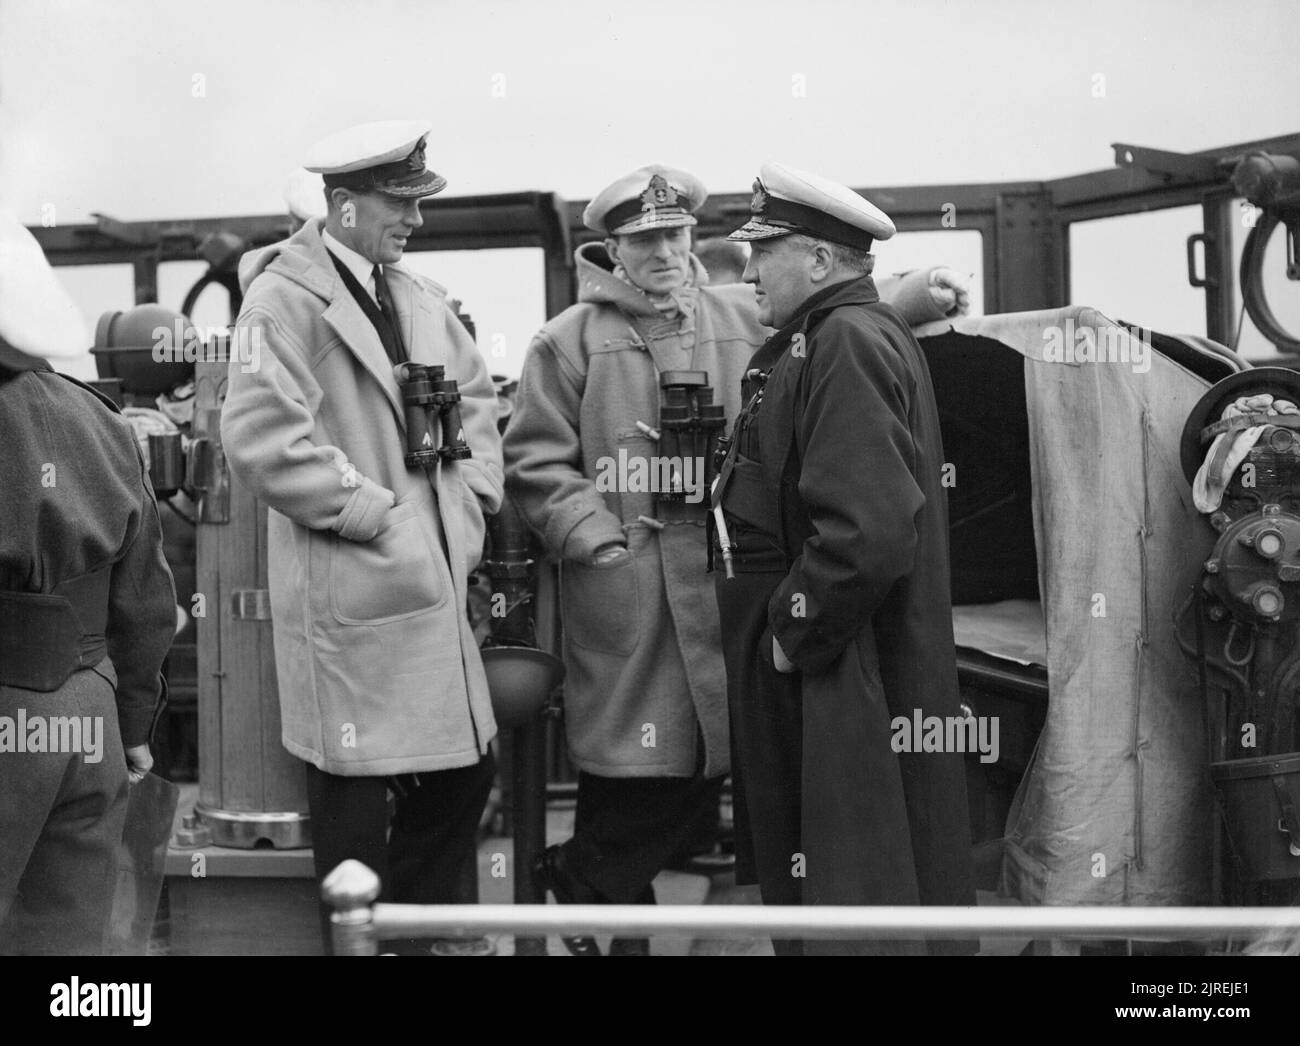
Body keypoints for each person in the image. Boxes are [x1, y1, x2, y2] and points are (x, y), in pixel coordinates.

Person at [503, 164, 969, 955]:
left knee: (721, 775)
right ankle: (596, 902)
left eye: (675, 234)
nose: (663, 251)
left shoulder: (744, 314)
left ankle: (601, 902)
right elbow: (537, 466)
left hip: (733, 604)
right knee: (633, 784)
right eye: (643, 239)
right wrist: (597, 540)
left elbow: (841, 319)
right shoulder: (567, 341)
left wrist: (923, 291)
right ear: (610, 250)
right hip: (639, 605)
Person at [220, 121, 504, 955]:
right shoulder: (279, 301)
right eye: (398, 203)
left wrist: (470, 499)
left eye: (418, 203)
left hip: (429, 583)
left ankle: (405, 941)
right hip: (353, 584)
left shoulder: (414, 296)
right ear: (342, 207)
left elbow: (479, 407)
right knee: (352, 795)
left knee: (465, 769)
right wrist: (377, 514)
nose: (414, 220)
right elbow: (264, 442)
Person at [712, 162, 976, 956]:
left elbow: (868, 531)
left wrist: (793, 635)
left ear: (821, 261)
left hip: (844, 668)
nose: (748, 270)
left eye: (765, 251)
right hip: (829, 660)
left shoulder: (846, 344)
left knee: (857, 892)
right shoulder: (826, 336)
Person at [0, 211, 176, 955]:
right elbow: (146, 604)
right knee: (68, 949)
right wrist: (132, 727)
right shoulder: (100, 421)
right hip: (89, 722)